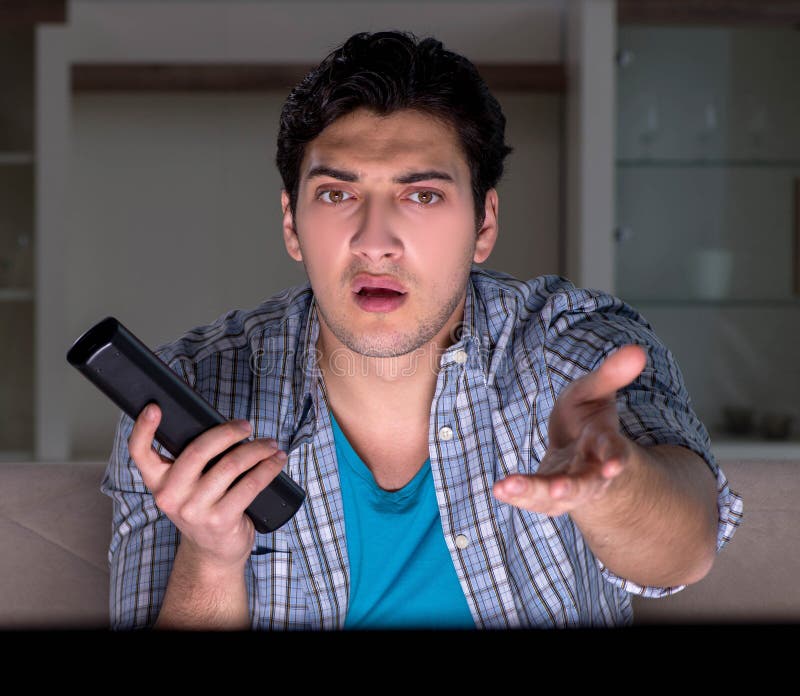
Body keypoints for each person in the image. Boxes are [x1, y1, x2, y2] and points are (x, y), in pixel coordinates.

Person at [101, 29, 743, 630]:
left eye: (423, 196)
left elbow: (685, 551)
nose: (375, 242)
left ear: (484, 224)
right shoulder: (186, 394)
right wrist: (211, 558)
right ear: (293, 225)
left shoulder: (574, 345)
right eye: (336, 195)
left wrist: (613, 484)